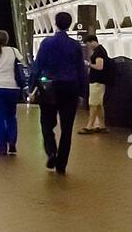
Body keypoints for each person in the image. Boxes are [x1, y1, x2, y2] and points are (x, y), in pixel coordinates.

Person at [28, 11, 89, 174]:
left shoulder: (46, 43)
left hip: (50, 87)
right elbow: (80, 70)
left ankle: (51, 151)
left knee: (46, 123)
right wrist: (83, 92)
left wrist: (31, 87)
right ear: (70, 24)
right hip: (70, 87)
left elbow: (37, 66)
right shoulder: (75, 45)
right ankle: (61, 164)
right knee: (67, 127)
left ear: (55, 23)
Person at [81, 35, 110, 134]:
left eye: (88, 44)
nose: (88, 46)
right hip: (98, 81)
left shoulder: (99, 52)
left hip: (97, 82)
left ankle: (89, 126)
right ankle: (102, 125)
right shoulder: (100, 50)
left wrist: (88, 64)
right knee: (98, 105)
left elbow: (99, 66)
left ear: (93, 41)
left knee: (93, 104)